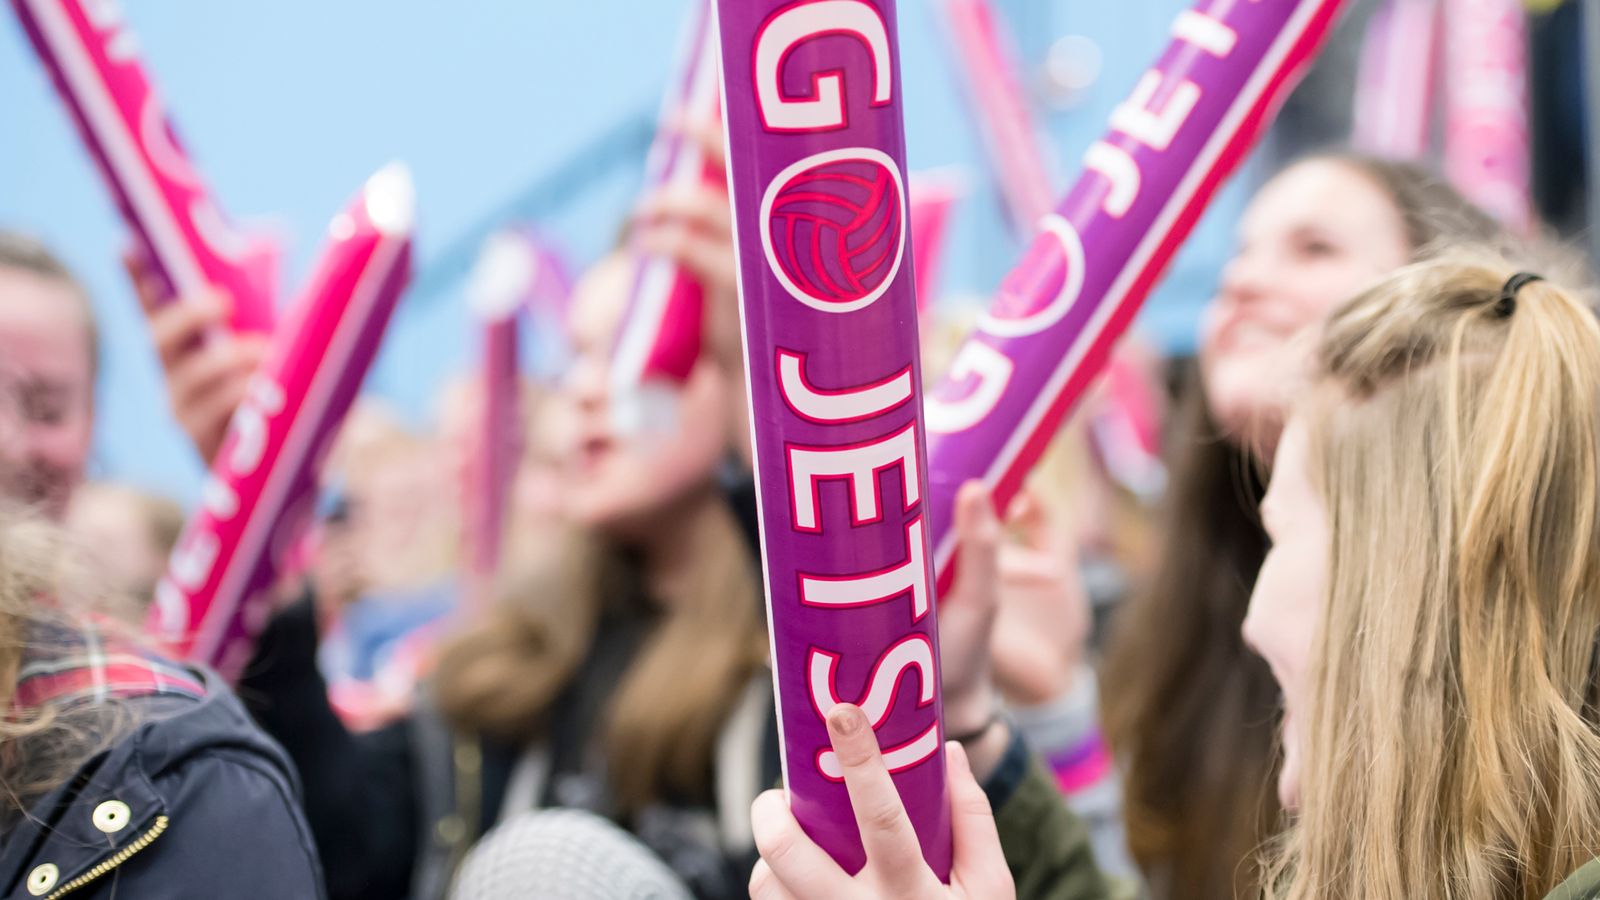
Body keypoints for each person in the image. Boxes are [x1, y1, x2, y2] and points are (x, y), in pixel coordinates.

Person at [1098, 153, 1502, 899]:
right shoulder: (1174, 624)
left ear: (1443, 298)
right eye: (1239, 256)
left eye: (1314, 249)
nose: (1242, 283)